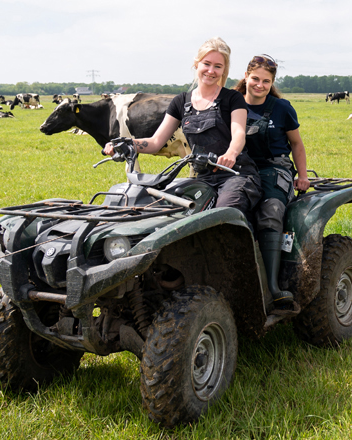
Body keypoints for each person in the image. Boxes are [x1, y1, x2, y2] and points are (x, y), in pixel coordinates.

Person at [106, 38, 290, 307]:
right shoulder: (181, 102)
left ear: (225, 70)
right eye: (207, 64)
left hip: (236, 175)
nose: (211, 71)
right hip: (202, 177)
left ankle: (250, 285)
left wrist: (231, 152)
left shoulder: (232, 99)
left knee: (223, 218)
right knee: (166, 215)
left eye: (218, 66)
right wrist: (127, 143)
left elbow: (239, 133)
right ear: (197, 64)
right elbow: (156, 142)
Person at [232, 54, 309, 309]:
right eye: (255, 79)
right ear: (246, 76)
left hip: (274, 169)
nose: (260, 85)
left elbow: (296, 144)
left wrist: (302, 176)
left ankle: (273, 287)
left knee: (271, 210)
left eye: (266, 81)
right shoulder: (232, 104)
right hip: (240, 169)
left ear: (272, 83)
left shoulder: (282, 108)